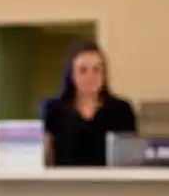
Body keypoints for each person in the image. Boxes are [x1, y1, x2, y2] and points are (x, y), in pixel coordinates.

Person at [42, 39, 137, 167]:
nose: (90, 76)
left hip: (110, 184)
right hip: (65, 185)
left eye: (96, 70)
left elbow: (130, 159)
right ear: (71, 74)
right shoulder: (54, 110)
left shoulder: (122, 110)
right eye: (83, 70)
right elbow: (45, 158)